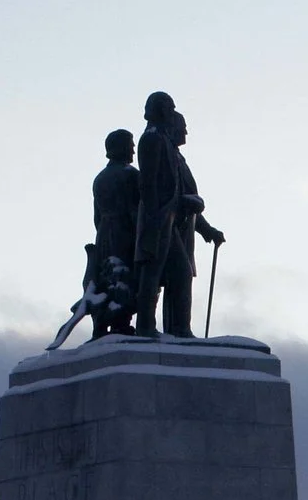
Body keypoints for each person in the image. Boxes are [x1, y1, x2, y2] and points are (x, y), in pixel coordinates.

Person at [133, 91, 225, 337]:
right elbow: (148, 183)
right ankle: (145, 327)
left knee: (179, 273)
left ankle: (180, 329)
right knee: (153, 272)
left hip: (170, 220)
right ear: (162, 110)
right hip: (158, 218)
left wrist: (207, 229)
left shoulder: (168, 146)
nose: (175, 116)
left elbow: (178, 191)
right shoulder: (152, 139)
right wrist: (154, 219)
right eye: (171, 109)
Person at [89, 128, 139, 338]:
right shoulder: (130, 175)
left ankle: (102, 322)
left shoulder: (100, 178)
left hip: (104, 233)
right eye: (130, 145)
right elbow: (135, 210)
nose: (134, 150)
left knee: (105, 275)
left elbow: (96, 216)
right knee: (124, 274)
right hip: (124, 232)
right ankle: (120, 321)